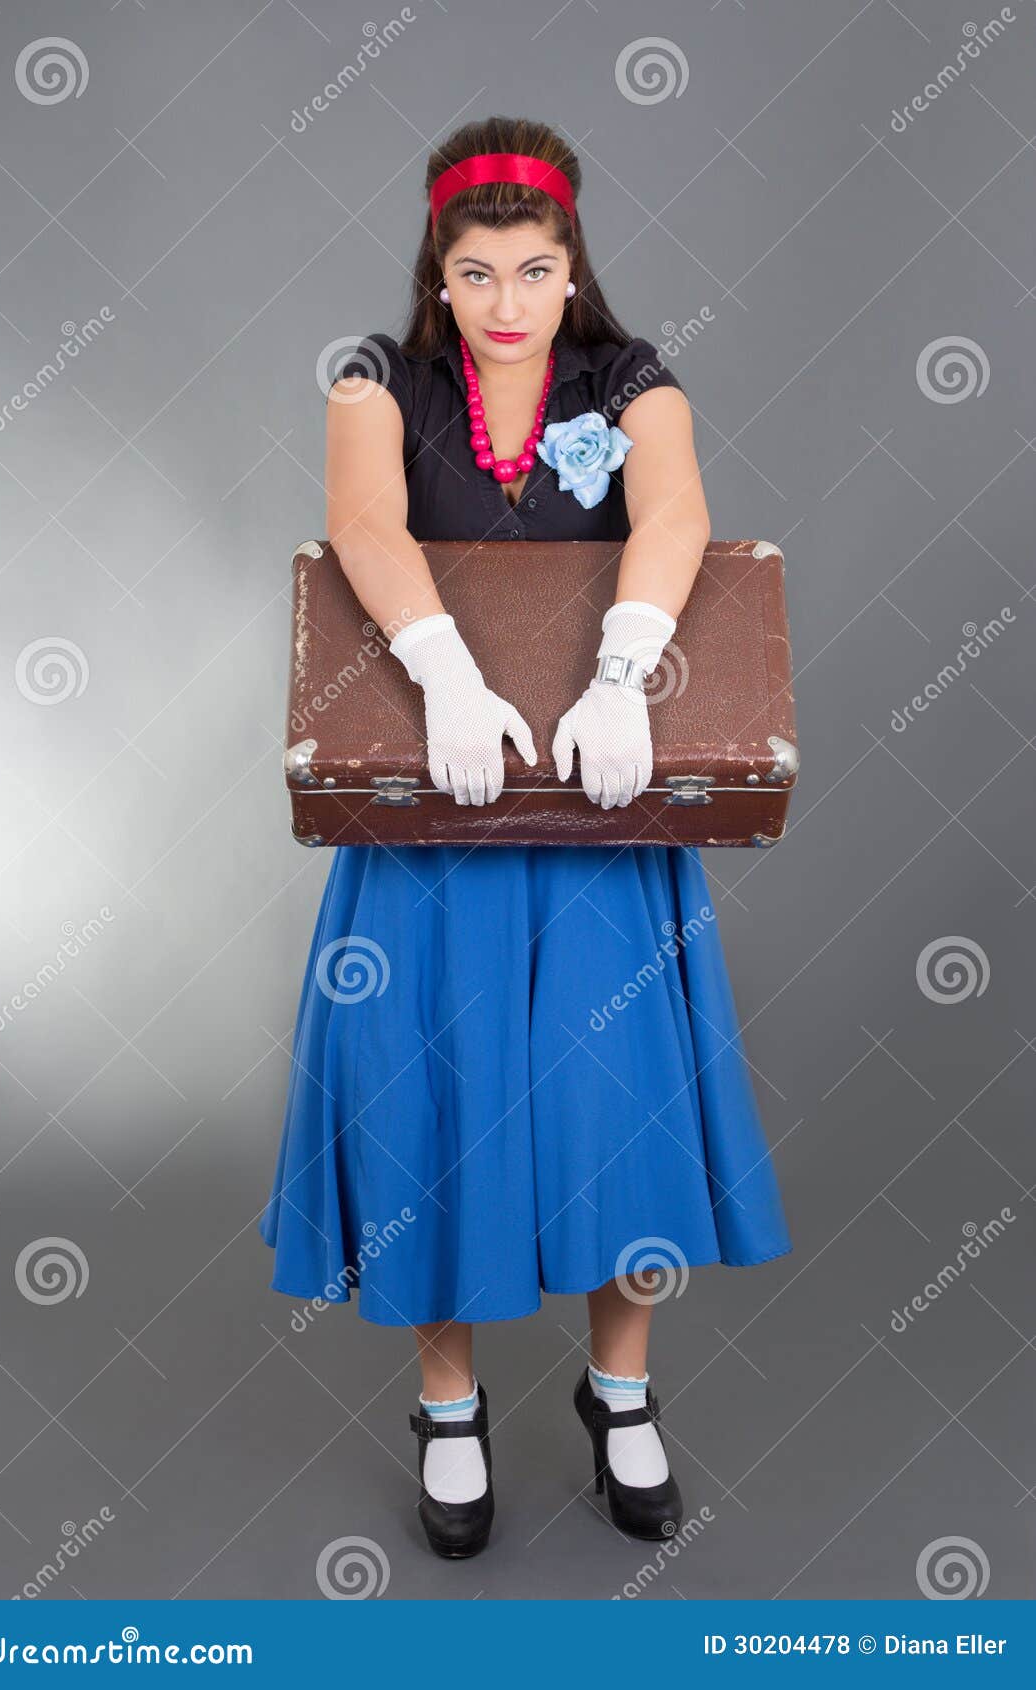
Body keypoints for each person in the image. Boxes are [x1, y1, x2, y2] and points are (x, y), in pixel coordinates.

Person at [259, 117, 792, 1560]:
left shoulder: (633, 378)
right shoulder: (378, 380)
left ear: (574, 268)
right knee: (430, 1095)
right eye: (478, 271)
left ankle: (619, 1385)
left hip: (599, 805)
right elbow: (363, 522)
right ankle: (449, 1399)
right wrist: (438, 666)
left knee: (616, 1100)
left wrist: (627, 666)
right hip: (437, 811)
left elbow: (673, 506)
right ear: (440, 271)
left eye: (537, 268)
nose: (507, 302)